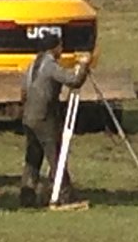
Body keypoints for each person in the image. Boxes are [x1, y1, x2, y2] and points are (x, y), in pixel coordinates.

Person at [20, 37, 91, 207]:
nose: (62, 49)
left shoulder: (32, 66)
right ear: (54, 48)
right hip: (44, 117)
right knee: (56, 156)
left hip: (29, 116)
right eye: (60, 46)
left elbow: (23, 92)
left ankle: (27, 196)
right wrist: (83, 66)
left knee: (33, 158)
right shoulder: (50, 66)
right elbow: (74, 81)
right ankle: (64, 194)